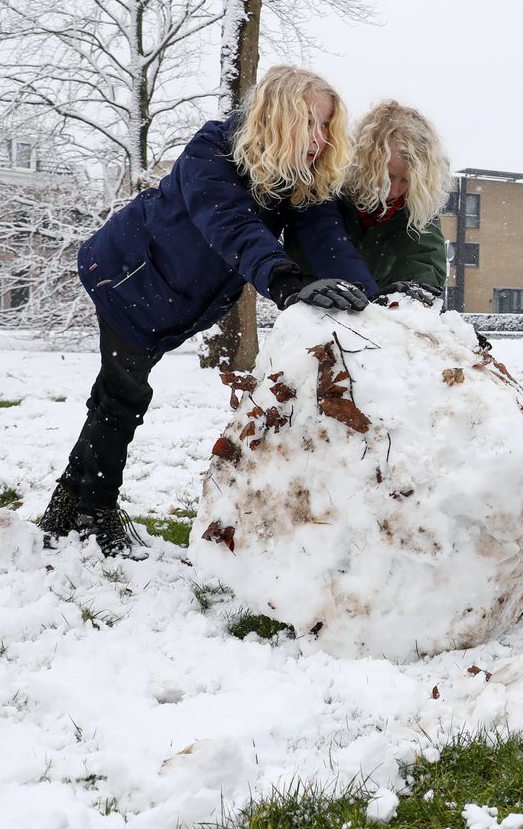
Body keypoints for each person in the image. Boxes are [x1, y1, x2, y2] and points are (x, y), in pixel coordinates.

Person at [40, 65, 378, 557]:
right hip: (128, 278)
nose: (320, 138)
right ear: (277, 116)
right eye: (310, 122)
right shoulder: (211, 152)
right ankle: (96, 510)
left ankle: (67, 503)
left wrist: (371, 301)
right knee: (124, 396)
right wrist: (284, 280)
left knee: (113, 395)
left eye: (326, 126)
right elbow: (231, 223)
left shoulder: (298, 177)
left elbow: (328, 241)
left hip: (174, 299)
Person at [325, 100, 450, 303]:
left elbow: (424, 268)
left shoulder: (418, 211)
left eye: (405, 180)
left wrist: (416, 299)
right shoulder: (329, 195)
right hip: (323, 318)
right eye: (388, 176)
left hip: (384, 324)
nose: (393, 191)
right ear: (365, 164)